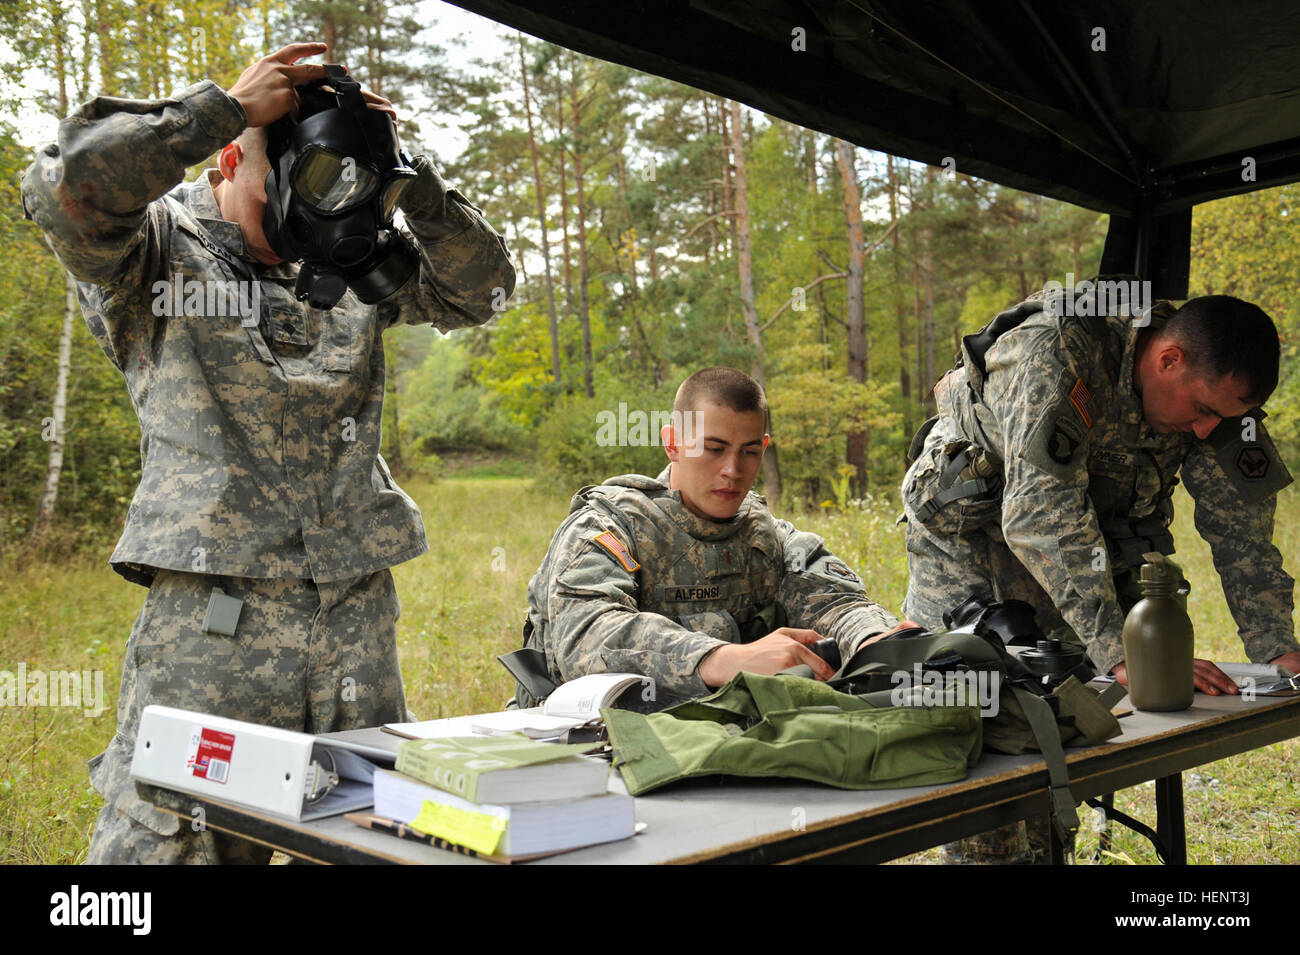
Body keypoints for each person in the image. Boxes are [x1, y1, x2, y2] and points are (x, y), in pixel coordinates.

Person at [21, 43, 516, 864]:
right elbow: (65, 190)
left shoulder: (345, 253)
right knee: (182, 840)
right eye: (284, 181)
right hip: (218, 623)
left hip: (355, 612)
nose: (307, 215)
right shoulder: (157, 248)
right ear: (227, 160)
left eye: (328, 185)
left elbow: (482, 292)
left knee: (382, 835)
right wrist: (220, 109)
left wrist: (411, 184)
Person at [900, 281, 1298, 862]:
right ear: (1168, 359)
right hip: (971, 551)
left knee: (1059, 736)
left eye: (1223, 418)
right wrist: (1119, 652)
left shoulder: (1214, 398)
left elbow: (1244, 534)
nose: (1207, 430)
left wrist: (1279, 650)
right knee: (989, 743)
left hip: (1073, 553)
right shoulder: (1057, 351)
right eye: (1205, 411)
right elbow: (1039, 512)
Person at [519, 367, 912, 706]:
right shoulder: (609, 528)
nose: (732, 470)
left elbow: (836, 602)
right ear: (673, 443)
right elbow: (586, 635)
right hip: (581, 742)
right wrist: (724, 659)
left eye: (749, 452)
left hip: (716, 738)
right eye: (714, 449)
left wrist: (873, 640)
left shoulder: (767, 538)